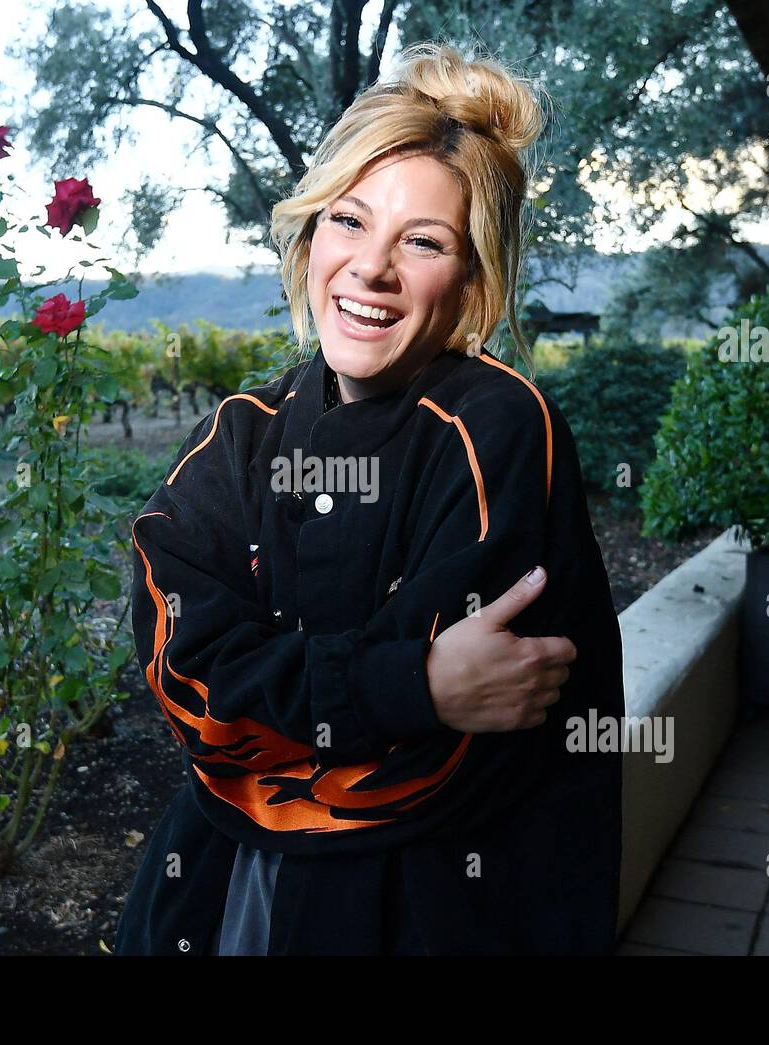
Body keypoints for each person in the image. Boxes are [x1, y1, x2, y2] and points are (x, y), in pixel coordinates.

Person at [113, 40, 624, 956]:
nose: (371, 269)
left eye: (422, 241)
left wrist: (282, 705)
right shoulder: (242, 431)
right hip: (223, 880)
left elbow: (429, 768)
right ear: (311, 233)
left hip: (432, 902)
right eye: (349, 221)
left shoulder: (500, 428)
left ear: (474, 278)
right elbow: (184, 675)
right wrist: (416, 681)